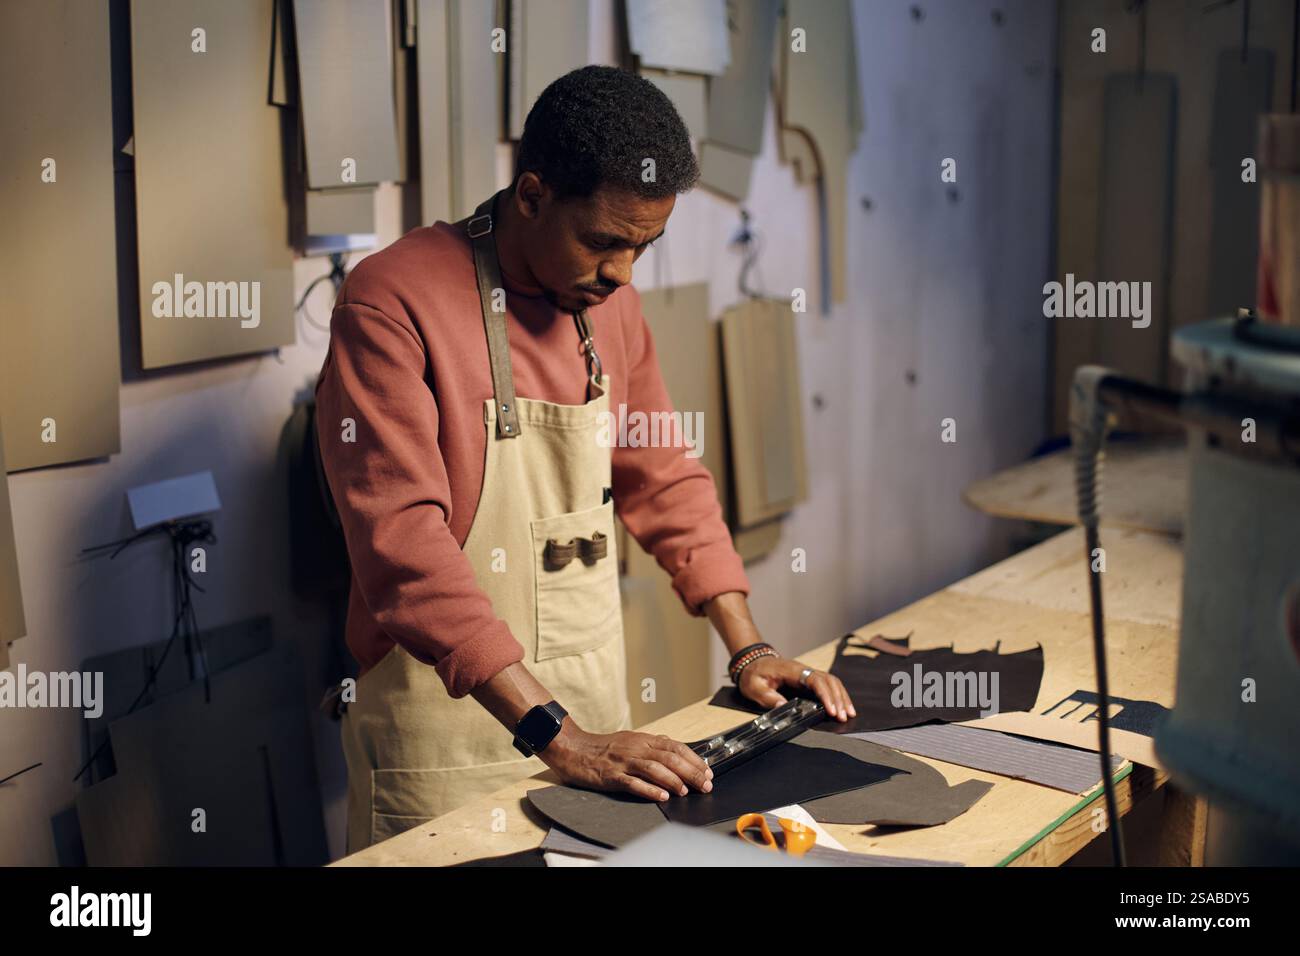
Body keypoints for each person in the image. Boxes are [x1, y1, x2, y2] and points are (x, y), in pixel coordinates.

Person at [315, 65, 855, 853]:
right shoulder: (391, 303)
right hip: (448, 741)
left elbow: (664, 476)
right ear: (532, 195)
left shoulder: (611, 304)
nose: (624, 274)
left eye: (646, 246)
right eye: (603, 241)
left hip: (596, 726)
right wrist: (558, 739)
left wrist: (748, 645)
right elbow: (403, 550)